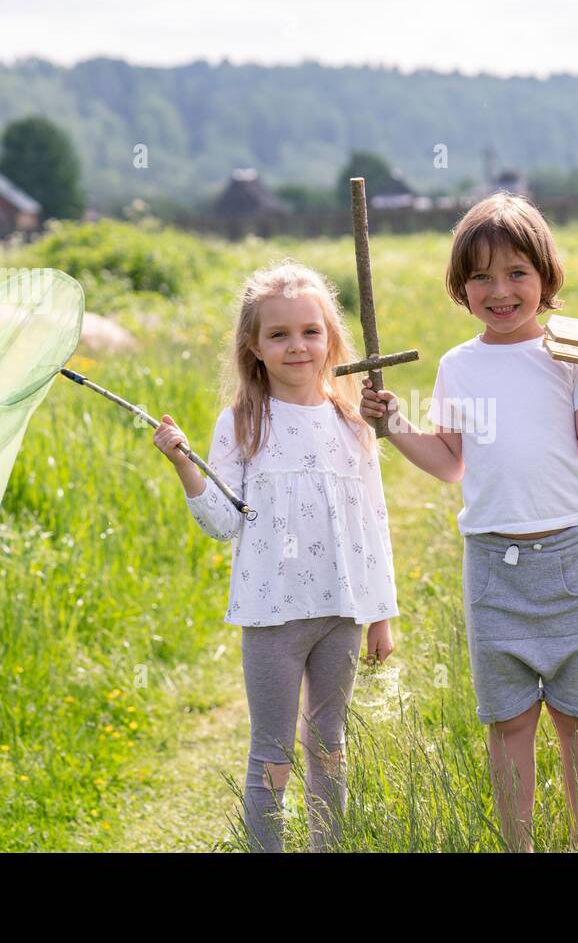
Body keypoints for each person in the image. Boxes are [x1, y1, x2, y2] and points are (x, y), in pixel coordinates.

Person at [360, 192, 578, 851]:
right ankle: (516, 843)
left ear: (546, 278)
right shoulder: (459, 366)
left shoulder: (572, 351)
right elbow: (450, 462)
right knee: (509, 719)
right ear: (461, 289)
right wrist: (394, 424)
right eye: (482, 277)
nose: (501, 290)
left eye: (517, 272)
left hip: (571, 556)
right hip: (493, 564)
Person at [154, 259, 398, 852]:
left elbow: (374, 521)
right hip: (271, 618)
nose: (297, 346)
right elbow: (218, 523)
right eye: (279, 335)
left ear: (331, 340)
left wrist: (382, 613)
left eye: (310, 332)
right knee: (273, 751)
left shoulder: (351, 422)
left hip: (340, 613)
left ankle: (328, 847)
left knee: (331, 745)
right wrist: (184, 463)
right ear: (254, 347)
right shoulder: (242, 423)